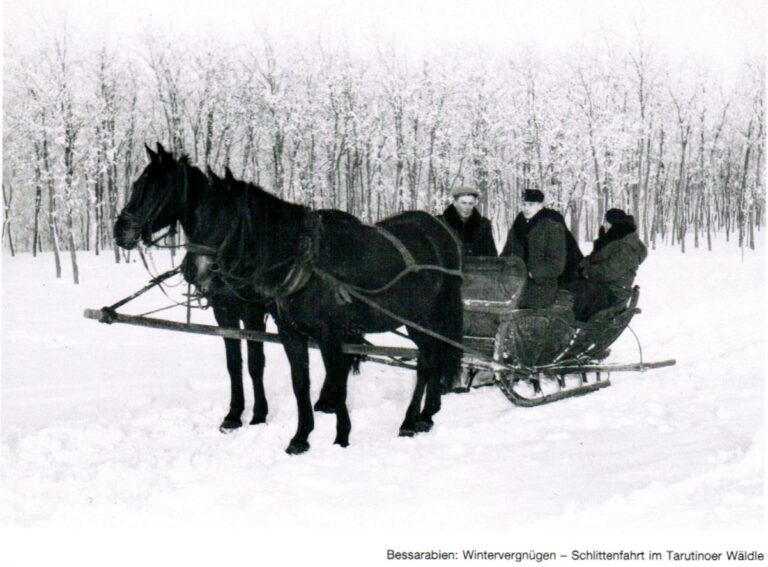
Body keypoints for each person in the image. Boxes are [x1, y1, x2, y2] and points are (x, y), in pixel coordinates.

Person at [500, 189, 581, 308]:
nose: (526, 208)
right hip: (515, 281)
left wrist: (532, 273)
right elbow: (507, 250)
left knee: (525, 311)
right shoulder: (518, 223)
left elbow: (557, 263)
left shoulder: (552, 225)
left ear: (540, 206)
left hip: (542, 284)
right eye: (524, 204)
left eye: (531, 205)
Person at [566, 208, 647, 321]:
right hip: (604, 287)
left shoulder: (627, 247)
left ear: (614, 225)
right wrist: (580, 265)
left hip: (613, 292)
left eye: (606, 222)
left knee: (573, 293)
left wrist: (585, 271)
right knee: (568, 286)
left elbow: (608, 272)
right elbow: (593, 259)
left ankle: (567, 325)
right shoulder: (613, 240)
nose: (604, 225)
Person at [439, 186, 498, 257]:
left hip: (476, 267)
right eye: (463, 203)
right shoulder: (440, 223)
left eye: (470, 203)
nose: (467, 207)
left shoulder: (483, 225)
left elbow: (491, 255)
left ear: (474, 204)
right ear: (455, 203)